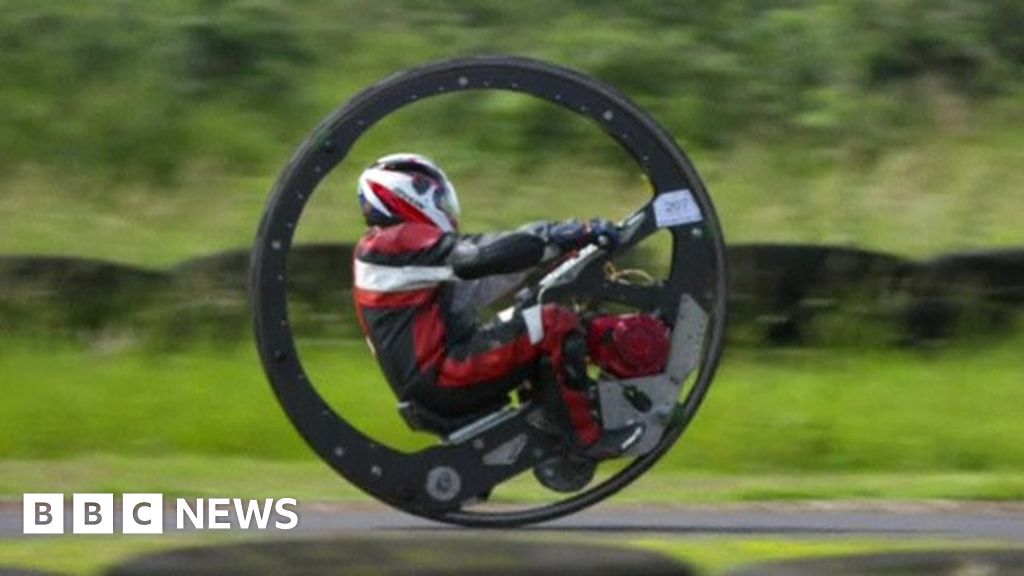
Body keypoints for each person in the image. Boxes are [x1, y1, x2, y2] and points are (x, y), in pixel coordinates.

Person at [352, 153, 640, 458]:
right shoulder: (396, 241)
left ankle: (553, 412)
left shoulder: (392, 253)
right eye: (438, 198)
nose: (446, 208)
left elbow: (482, 283)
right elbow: (480, 256)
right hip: (444, 375)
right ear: (407, 194)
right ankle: (586, 440)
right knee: (553, 322)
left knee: (534, 312)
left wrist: (557, 251)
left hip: (436, 374)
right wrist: (560, 233)